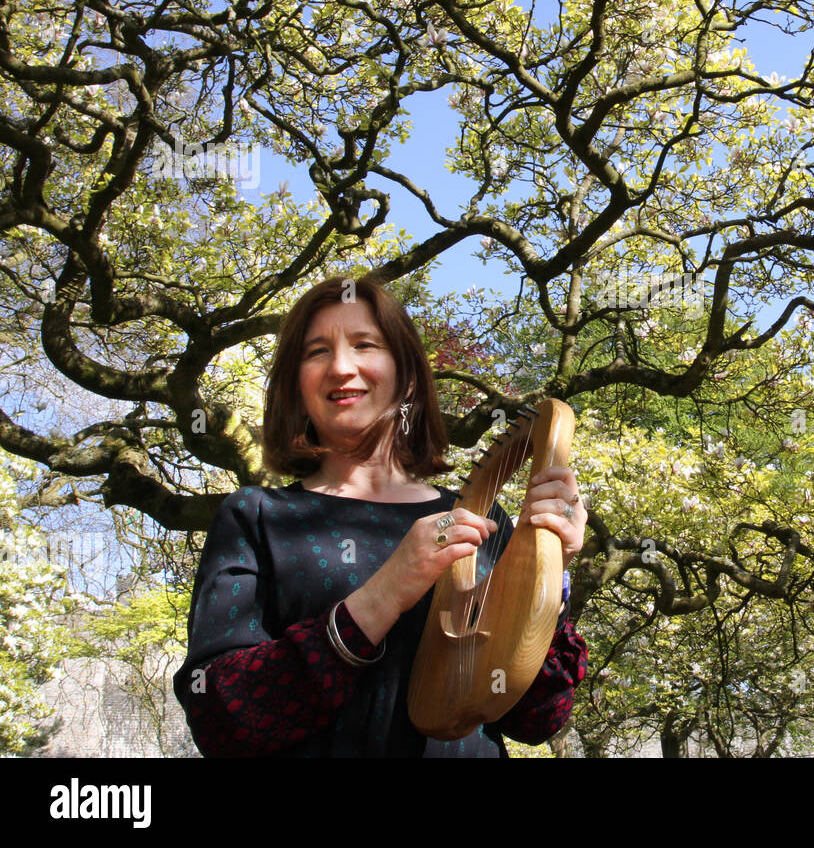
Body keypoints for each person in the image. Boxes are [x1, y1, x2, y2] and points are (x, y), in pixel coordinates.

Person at [172, 275, 588, 757]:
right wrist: (385, 594)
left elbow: (537, 719)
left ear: (406, 374)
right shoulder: (255, 517)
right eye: (316, 352)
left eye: (365, 345)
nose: (341, 367)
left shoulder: (481, 518)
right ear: (296, 386)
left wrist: (554, 565)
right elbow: (219, 718)